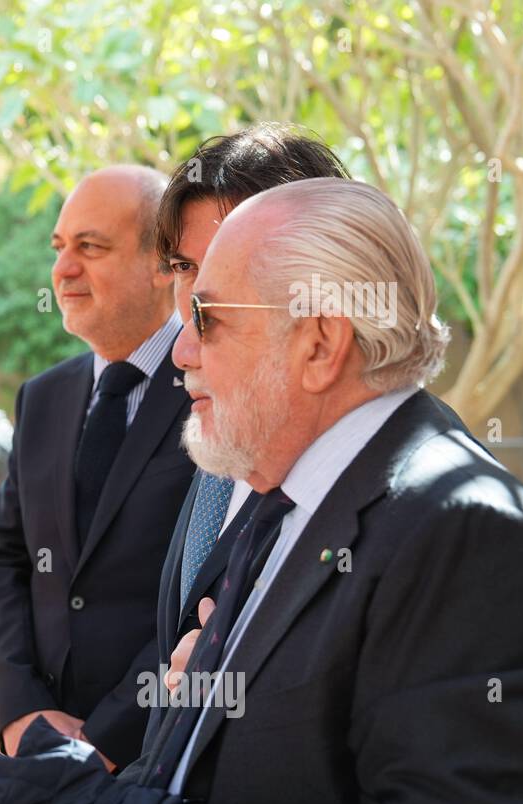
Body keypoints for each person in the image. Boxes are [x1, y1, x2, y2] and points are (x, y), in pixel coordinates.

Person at [118, 178, 523, 804]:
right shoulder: (283, 495)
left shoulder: (464, 530)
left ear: (319, 344)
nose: (182, 352)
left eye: (209, 317)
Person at [0, 165, 194, 772]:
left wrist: (109, 737)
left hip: (164, 754)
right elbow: (4, 559)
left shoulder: (214, 392)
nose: (64, 268)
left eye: (90, 247)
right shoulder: (43, 397)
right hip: (41, 753)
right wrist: (21, 713)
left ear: (163, 264)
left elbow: (218, 586)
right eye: (59, 247)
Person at [146, 125, 350, 744]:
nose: (197, 301)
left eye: (226, 270)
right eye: (185, 267)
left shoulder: (421, 508)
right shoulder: (221, 423)